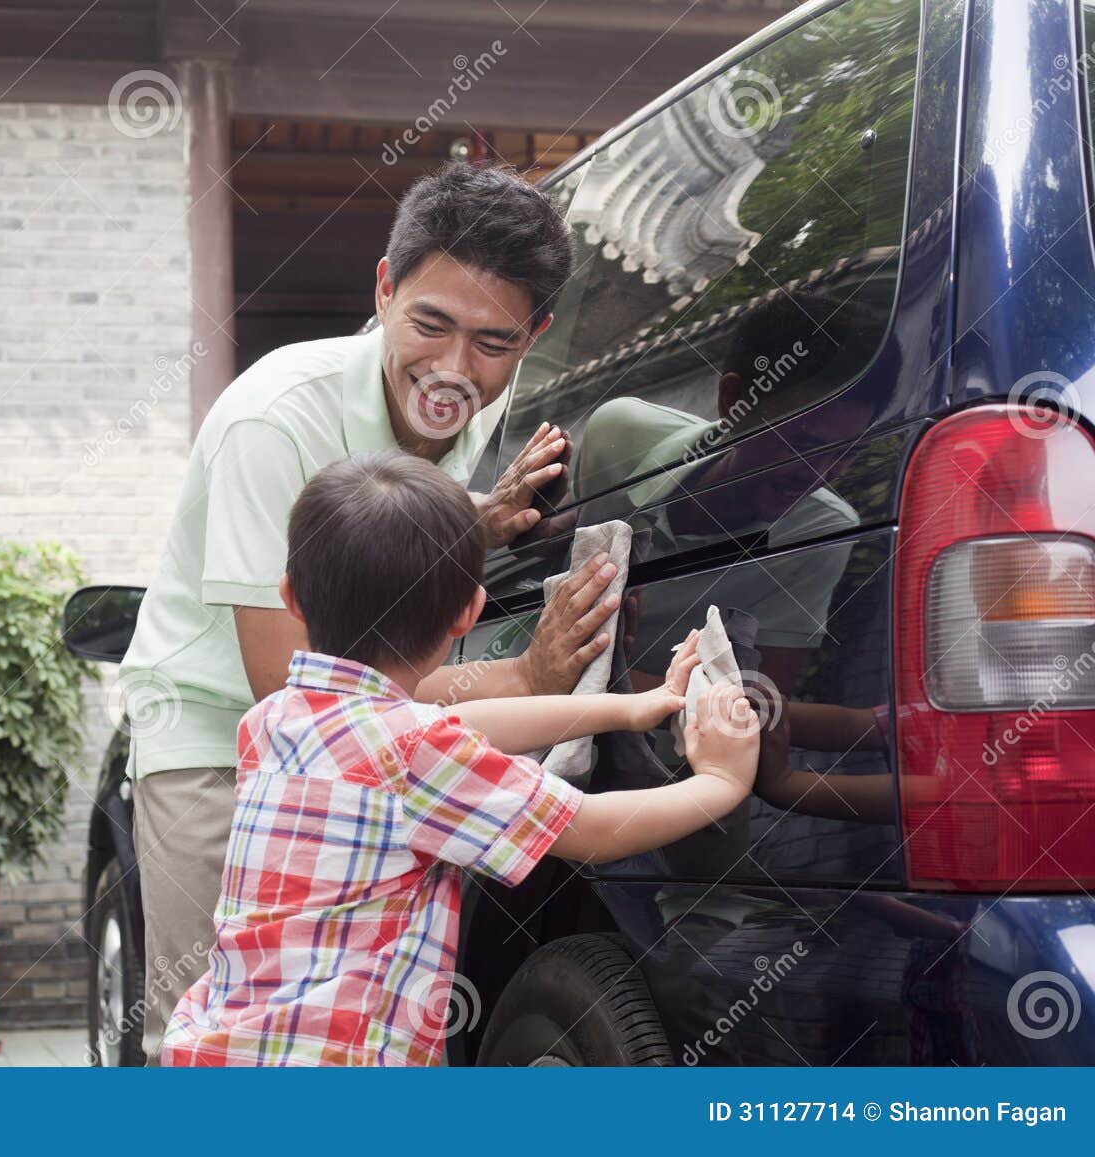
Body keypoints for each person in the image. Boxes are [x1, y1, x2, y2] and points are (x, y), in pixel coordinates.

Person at [118, 162, 624, 1061]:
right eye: (430, 324)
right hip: (218, 743)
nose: (455, 368)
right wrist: (523, 676)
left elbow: (372, 550)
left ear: (534, 333)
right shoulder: (273, 421)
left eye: (492, 342)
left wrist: (475, 518)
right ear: (384, 289)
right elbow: (306, 695)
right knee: (215, 1040)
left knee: (347, 1040)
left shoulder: (468, 415)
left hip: (365, 751)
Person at [159, 452, 760, 1066]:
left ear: (291, 598)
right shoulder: (414, 752)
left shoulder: (270, 723)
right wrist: (720, 780)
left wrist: (627, 709)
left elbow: (450, 727)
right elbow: (591, 830)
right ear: (469, 612)